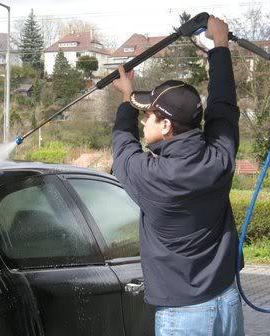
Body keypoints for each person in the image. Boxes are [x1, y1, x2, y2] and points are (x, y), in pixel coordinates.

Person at [111, 16, 245, 335]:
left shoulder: (151, 175)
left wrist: (125, 99)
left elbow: (122, 142)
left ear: (167, 126)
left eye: (149, 116)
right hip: (227, 302)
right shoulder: (220, 157)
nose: (144, 122)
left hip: (185, 315)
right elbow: (223, 104)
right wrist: (220, 45)